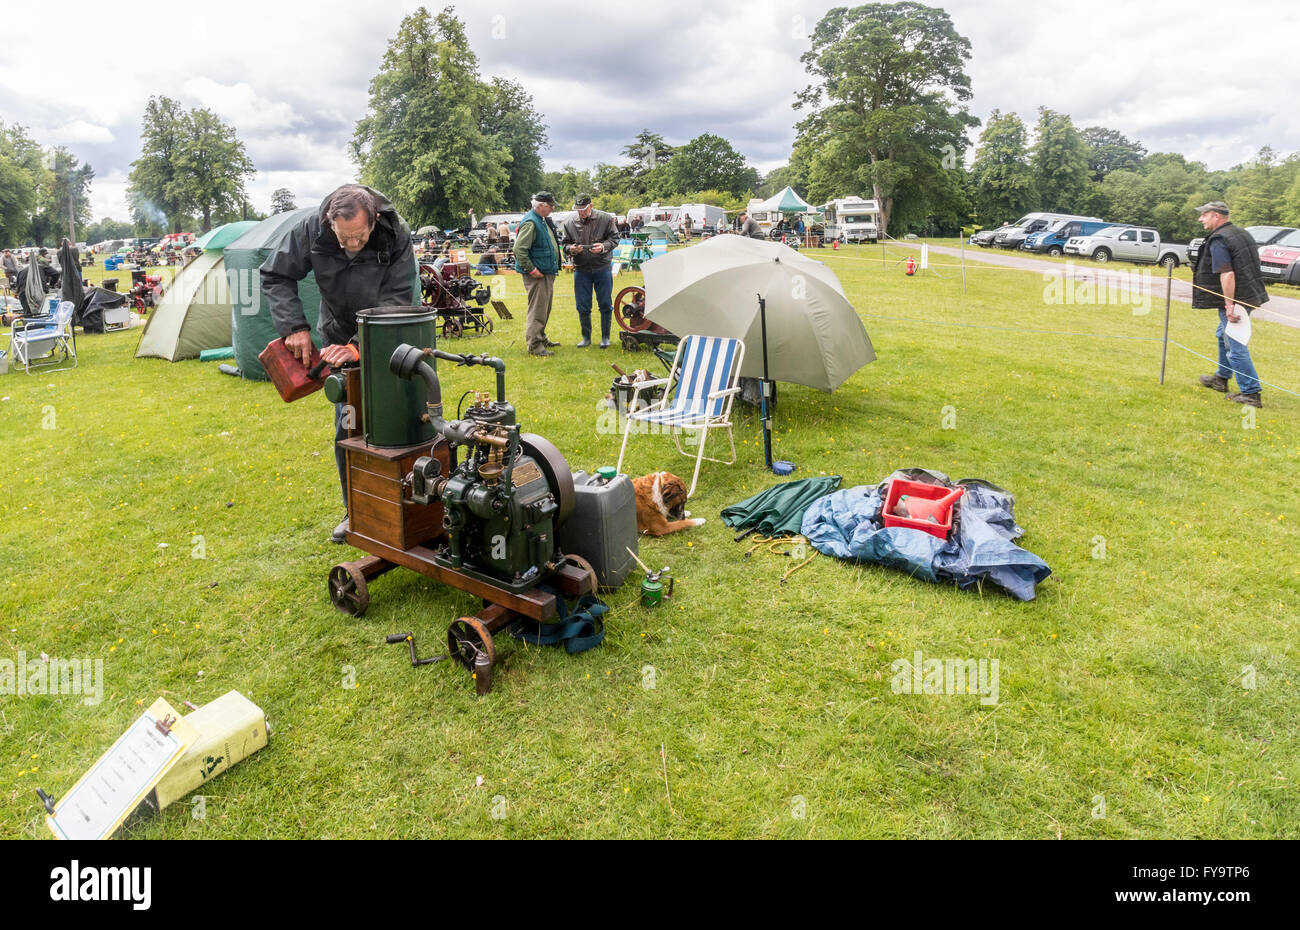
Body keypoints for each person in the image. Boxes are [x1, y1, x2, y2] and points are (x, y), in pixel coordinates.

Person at [261, 183, 417, 543]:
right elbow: (275, 274)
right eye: (343, 238)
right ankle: (357, 513)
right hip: (335, 335)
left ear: (374, 221)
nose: (351, 245)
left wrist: (359, 346)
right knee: (348, 426)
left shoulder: (396, 233)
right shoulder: (309, 229)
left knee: (401, 419)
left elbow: (397, 299)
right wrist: (294, 327)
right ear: (330, 224)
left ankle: (411, 507)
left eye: (359, 237)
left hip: (391, 333)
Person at [1192, 201, 1268, 408]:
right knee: (1222, 335)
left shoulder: (1220, 239)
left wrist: (1229, 305)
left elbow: (1227, 274)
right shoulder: (1241, 233)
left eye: (1204, 215)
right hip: (1248, 294)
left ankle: (1251, 392)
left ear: (1217, 216)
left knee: (1235, 344)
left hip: (1237, 299)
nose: (1201, 219)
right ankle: (1221, 377)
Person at [562, 194, 620, 348]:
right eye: (578, 210)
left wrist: (603, 247)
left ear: (591, 206)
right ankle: (586, 338)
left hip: (602, 267)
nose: (581, 212)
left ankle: (605, 338)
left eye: (584, 209)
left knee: (605, 304)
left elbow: (615, 239)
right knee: (582, 305)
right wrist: (572, 249)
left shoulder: (605, 219)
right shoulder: (569, 223)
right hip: (581, 269)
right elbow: (565, 245)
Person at [513, 191, 562, 357]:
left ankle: (540, 338)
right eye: (550, 205)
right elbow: (519, 249)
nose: (552, 208)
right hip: (537, 274)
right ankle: (535, 345)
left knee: (544, 308)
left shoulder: (539, 219)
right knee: (537, 310)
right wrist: (531, 269)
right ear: (540, 206)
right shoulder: (531, 222)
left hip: (544, 272)